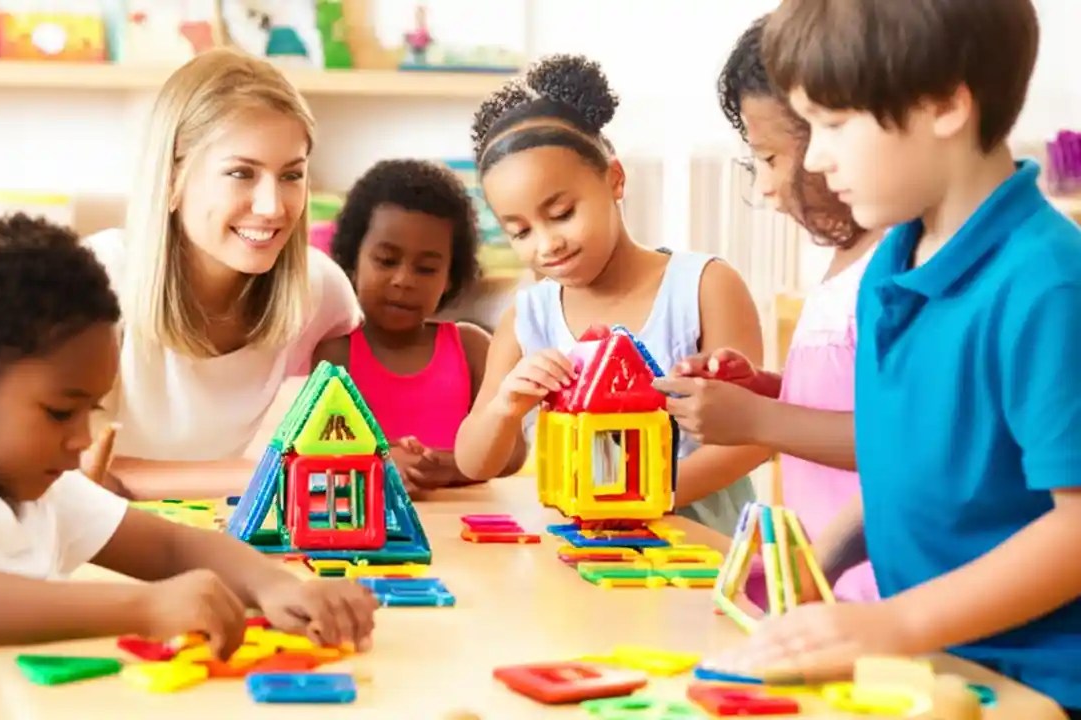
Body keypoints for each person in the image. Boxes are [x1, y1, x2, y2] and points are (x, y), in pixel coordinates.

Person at [0, 215, 378, 720]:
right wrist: (148, 608)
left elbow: (173, 549)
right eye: (59, 412)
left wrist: (276, 585)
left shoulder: (36, 486)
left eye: (90, 410)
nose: (81, 440)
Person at [700, 2, 1081, 716]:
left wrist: (891, 622)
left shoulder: (1048, 283)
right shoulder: (891, 266)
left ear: (945, 103)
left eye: (835, 124)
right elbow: (904, 468)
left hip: (1040, 683)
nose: (815, 158)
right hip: (929, 665)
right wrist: (814, 571)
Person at [452, 54, 767, 535]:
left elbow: (755, 436)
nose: (546, 243)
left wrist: (638, 496)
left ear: (614, 179)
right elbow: (473, 462)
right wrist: (504, 408)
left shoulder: (704, 286)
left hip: (700, 554)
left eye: (561, 213)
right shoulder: (528, 316)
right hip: (581, 552)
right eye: (519, 231)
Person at [651, 15, 882, 606]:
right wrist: (765, 389)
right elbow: (849, 402)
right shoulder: (841, 265)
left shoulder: (896, 268)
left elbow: (902, 439)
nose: (769, 186)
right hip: (829, 584)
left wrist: (756, 419)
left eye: (772, 158)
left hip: (882, 593)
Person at [81, 47, 361, 493]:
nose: (272, 207)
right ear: (173, 180)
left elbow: (314, 467)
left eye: (291, 176)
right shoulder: (93, 281)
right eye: (240, 174)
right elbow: (76, 472)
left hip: (257, 552)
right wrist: (263, 474)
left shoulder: (323, 294)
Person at [314, 159, 507, 494]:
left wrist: (448, 467)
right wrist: (380, 462)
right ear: (353, 260)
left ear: (450, 276)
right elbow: (319, 452)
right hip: (371, 537)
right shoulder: (336, 355)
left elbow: (513, 451)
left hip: (466, 528)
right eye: (386, 261)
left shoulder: (472, 348)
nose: (404, 280)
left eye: (427, 268)